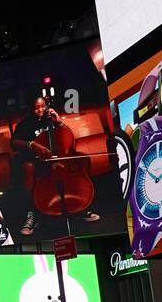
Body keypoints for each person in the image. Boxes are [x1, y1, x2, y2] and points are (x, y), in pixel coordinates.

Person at [9, 97, 103, 236]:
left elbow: (68, 137)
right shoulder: (25, 124)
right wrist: (32, 144)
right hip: (40, 162)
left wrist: (59, 121)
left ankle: (82, 208)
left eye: (42, 106)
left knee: (83, 158)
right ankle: (33, 212)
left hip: (61, 159)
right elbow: (14, 142)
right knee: (27, 168)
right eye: (36, 107)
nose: (40, 110)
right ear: (31, 108)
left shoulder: (52, 118)